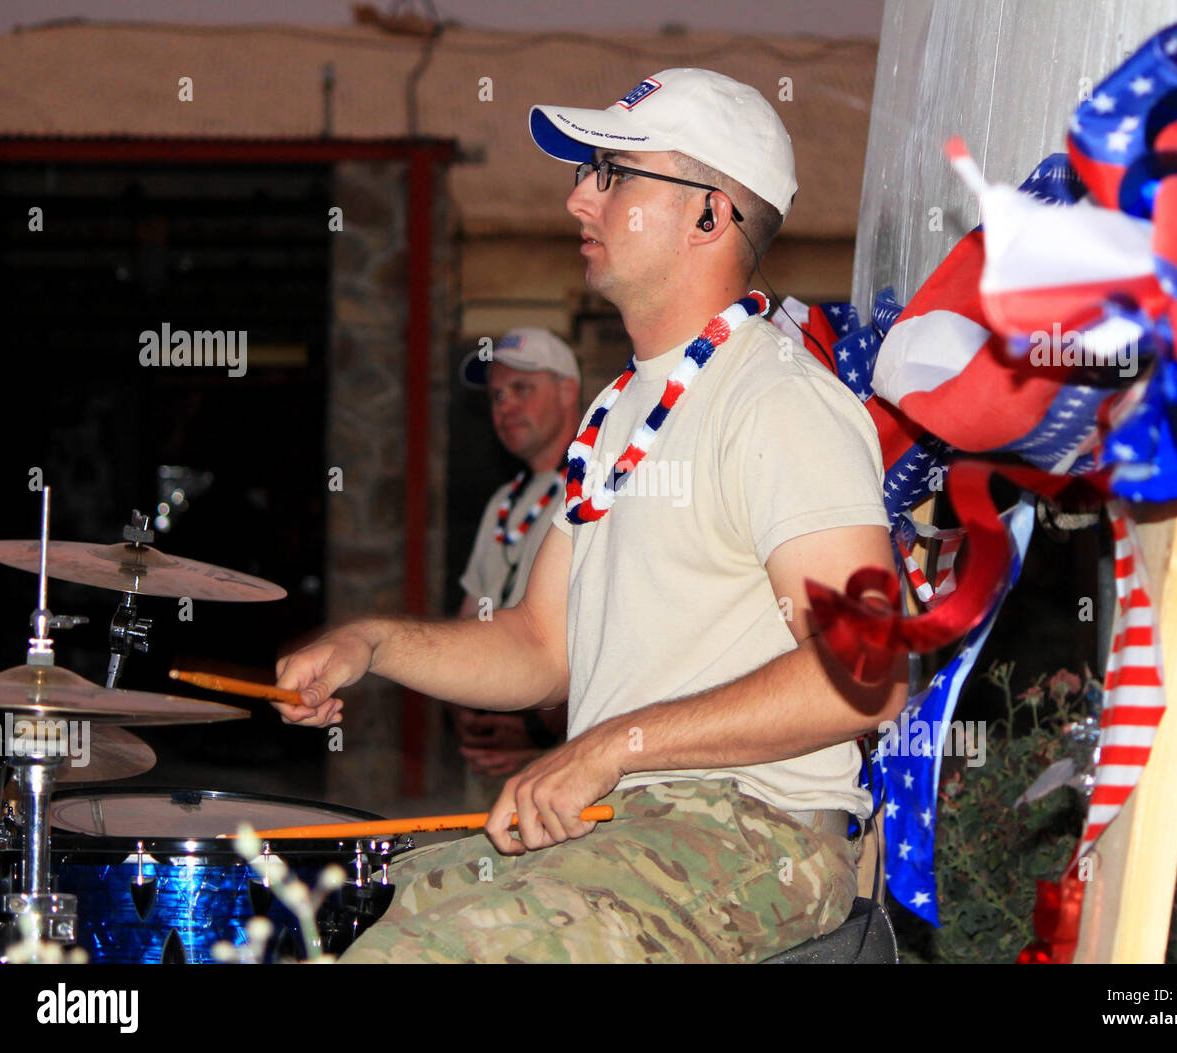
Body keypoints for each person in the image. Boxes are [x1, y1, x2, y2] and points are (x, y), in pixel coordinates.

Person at [274, 67, 907, 963]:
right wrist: (373, 642)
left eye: (612, 174)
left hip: (752, 831)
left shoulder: (778, 400)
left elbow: (869, 673)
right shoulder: (616, 412)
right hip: (616, 823)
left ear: (708, 214)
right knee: (328, 915)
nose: (578, 197)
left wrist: (614, 743)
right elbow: (539, 647)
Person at [449, 329, 579, 796]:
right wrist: (463, 708)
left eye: (522, 389)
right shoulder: (504, 501)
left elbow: (609, 640)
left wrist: (540, 735)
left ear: (568, 391)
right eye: (497, 395)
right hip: (490, 754)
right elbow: (471, 617)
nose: (505, 406)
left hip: (562, 760)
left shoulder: (599, 494)